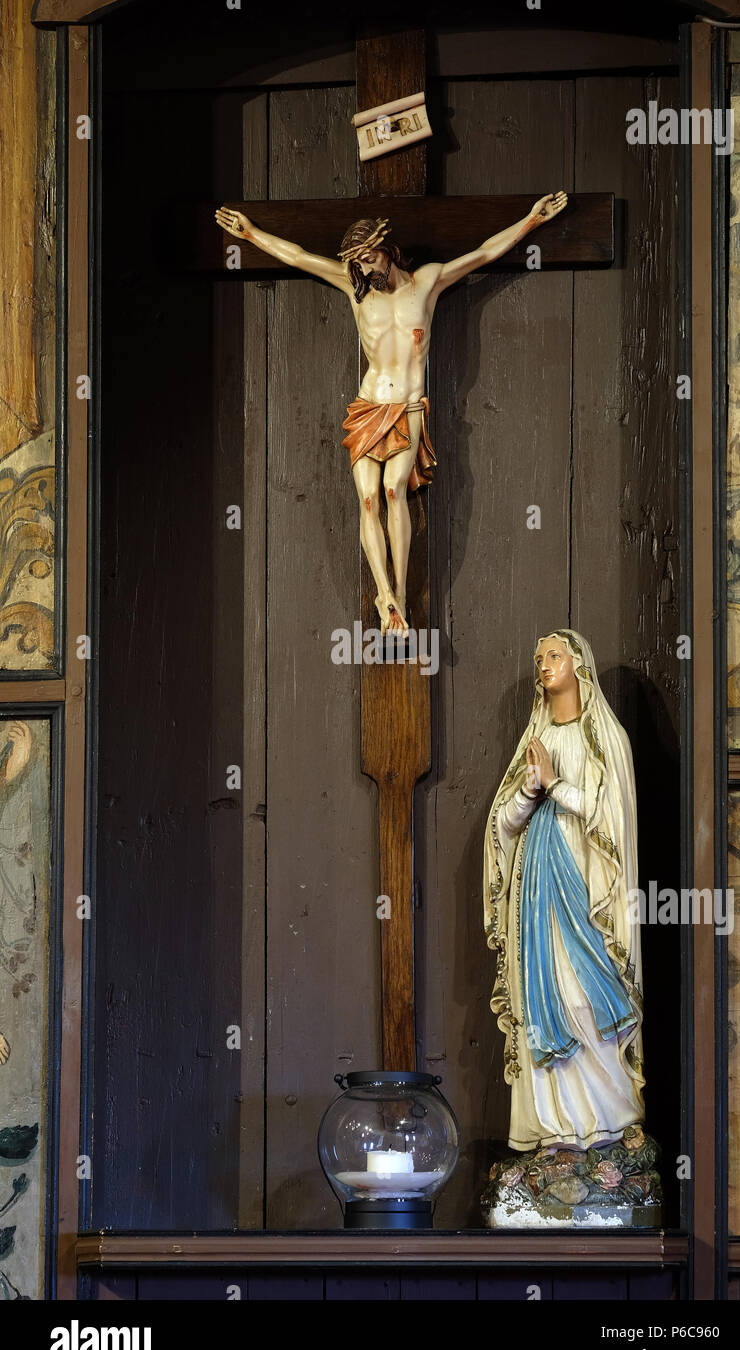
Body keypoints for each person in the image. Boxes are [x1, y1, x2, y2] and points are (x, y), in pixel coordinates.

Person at [214, 195, 567, 633]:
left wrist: (531, 222)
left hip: (409, 407)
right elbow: (300, 257)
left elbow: (483, 252)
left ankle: (399, 591)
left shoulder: (428, 283)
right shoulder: (353, 288)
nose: (364, 269)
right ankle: (385, 598)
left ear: (388, 250)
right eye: (358, 263)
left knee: (394, 489)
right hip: (368, 405)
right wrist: (250, 234)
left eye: (369, 259)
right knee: (367, 499)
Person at [483, 629, 646, 1152]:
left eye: (553, 655)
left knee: (585, 999)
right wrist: (530, 791)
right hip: (536, 904)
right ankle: (554, 1131)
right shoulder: (536, 741)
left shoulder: (605, 740)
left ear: (580, 665)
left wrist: (557, 786)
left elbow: (612, 822)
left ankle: (610, 1124)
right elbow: (503, 825)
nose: (543, 664)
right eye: (537, 658)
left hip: (586, 897)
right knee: (540, 999)